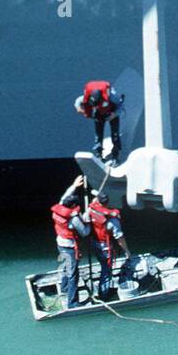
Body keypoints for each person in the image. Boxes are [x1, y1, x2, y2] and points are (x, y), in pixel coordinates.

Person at [50, 176, 90, 309]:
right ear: (72, 206)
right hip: (70, 247)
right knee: (73, 274)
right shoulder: (73, 219)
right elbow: (84, 232)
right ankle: (72, 303)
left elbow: (66, 195)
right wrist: (88, 222)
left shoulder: (61, 205)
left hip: (60, 244)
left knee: (67, 267)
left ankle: (65, 288)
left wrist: (74, 185)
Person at [88, 189, 130, 299]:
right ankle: (104, 295)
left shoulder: (92, 208)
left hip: (94, 244)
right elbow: (120, 238)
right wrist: (127, 252)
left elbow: (95, 197)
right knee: (106, 270)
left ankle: (103, 289)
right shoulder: (112, 221)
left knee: (103, 266)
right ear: (107, 203)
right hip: (105, 248)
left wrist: (96, 194)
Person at [74, 80, 124, 161]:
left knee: (115, 134)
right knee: (98, 134)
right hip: (99, 113)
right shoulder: (86, 97)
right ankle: (98, 154)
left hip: (112, 112)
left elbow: (120, 105)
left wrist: (114, 115)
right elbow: (77, 101)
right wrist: (79, 109)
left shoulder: (112, 97)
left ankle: (116, 154)